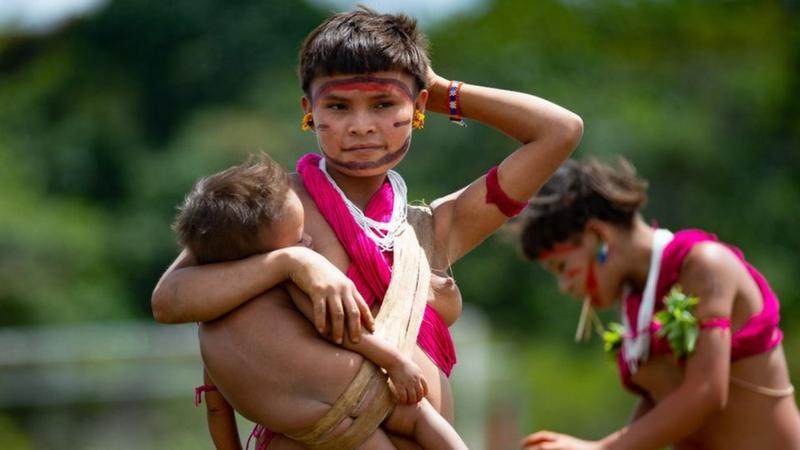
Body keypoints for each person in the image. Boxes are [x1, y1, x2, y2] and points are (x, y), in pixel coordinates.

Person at [152, 6, 582, 449]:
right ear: (308, 110)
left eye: (383, 104)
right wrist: (290, 262)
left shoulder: (433, 229)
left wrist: (437, 90)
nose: (361, 127)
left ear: (417, 107)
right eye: (338, 106)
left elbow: (560, 131)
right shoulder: (273, 208)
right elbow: (169, 300)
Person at [175, 154, 467, 450]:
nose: (308, 242)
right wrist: (395, 362)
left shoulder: (208, 325)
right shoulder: (285, 282)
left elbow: (216, 407)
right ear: (259, 254)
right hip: (358, 395)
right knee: (418, 417)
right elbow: (337, 328)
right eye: (297, 240)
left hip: (316, 432)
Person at [517, 158, 800, 450]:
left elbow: (706, 391)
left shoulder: (705, 266)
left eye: (562, 267)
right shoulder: (635, 301)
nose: (565, 287)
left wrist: (600, 449)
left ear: (599, 236)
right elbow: (659, 407)